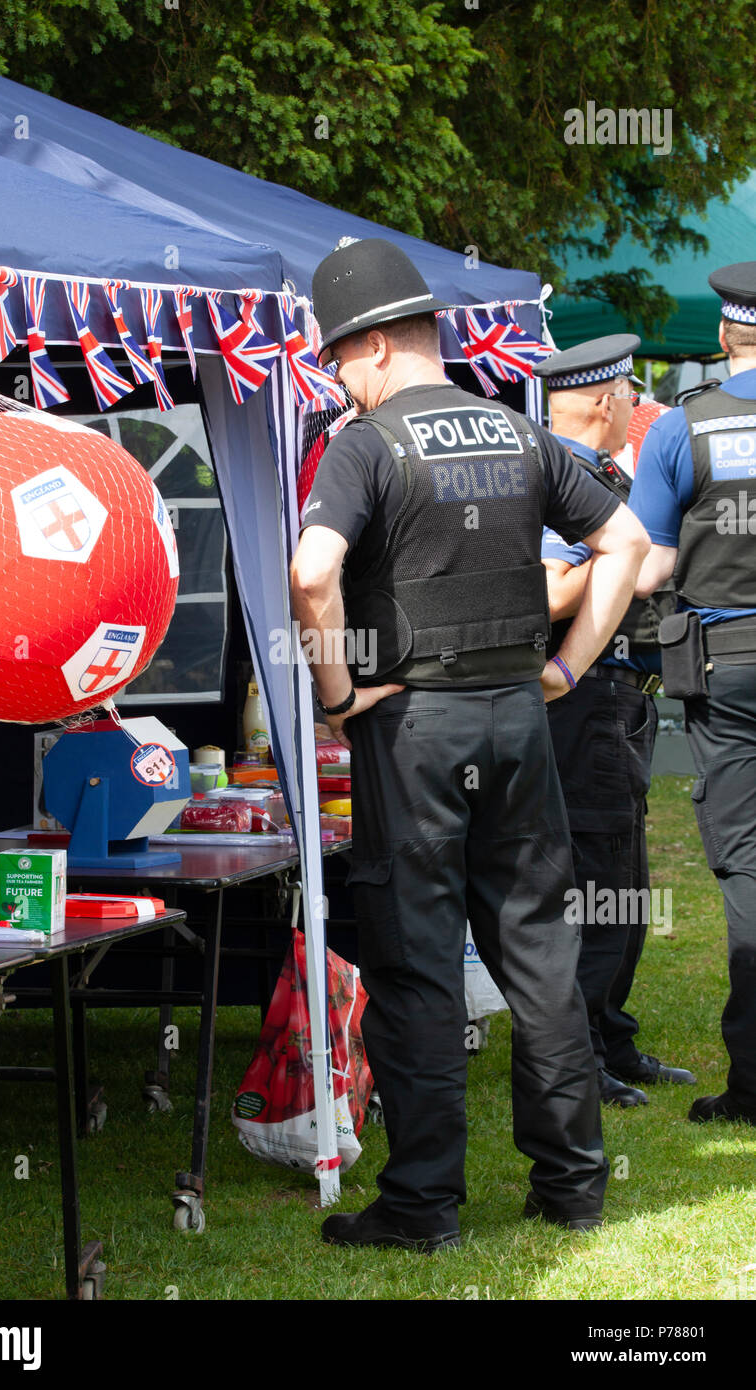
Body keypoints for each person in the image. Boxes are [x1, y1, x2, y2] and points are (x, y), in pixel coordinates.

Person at [290, 237, 650, 1250]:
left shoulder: (364, 445)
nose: (338, 383)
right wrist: (566, 668)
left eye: (334, 364)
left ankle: (420, 1205)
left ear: (365, 349)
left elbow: (310, 574)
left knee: (414, 967)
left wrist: (336, 692)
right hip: (516, 722)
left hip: (412, 728)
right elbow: (621, 545)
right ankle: (572, 1185)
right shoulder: (518, 433)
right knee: (538, 953)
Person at [533, 337, 695, 1108]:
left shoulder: (597, 475)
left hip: (620, 701)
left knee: (626, 879)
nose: (635, 401)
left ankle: (613, 1036)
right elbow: (552, 589)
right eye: (629, 391)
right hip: (585, 701)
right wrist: (625, 553)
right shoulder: (559, 478)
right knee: (596, 881)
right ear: (603, 402)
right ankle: (583, 1058)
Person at [630, 260, 756, 1127]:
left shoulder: (684, 428)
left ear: (723, 334)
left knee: (747, 863)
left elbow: (649, 559)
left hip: (728, 666)